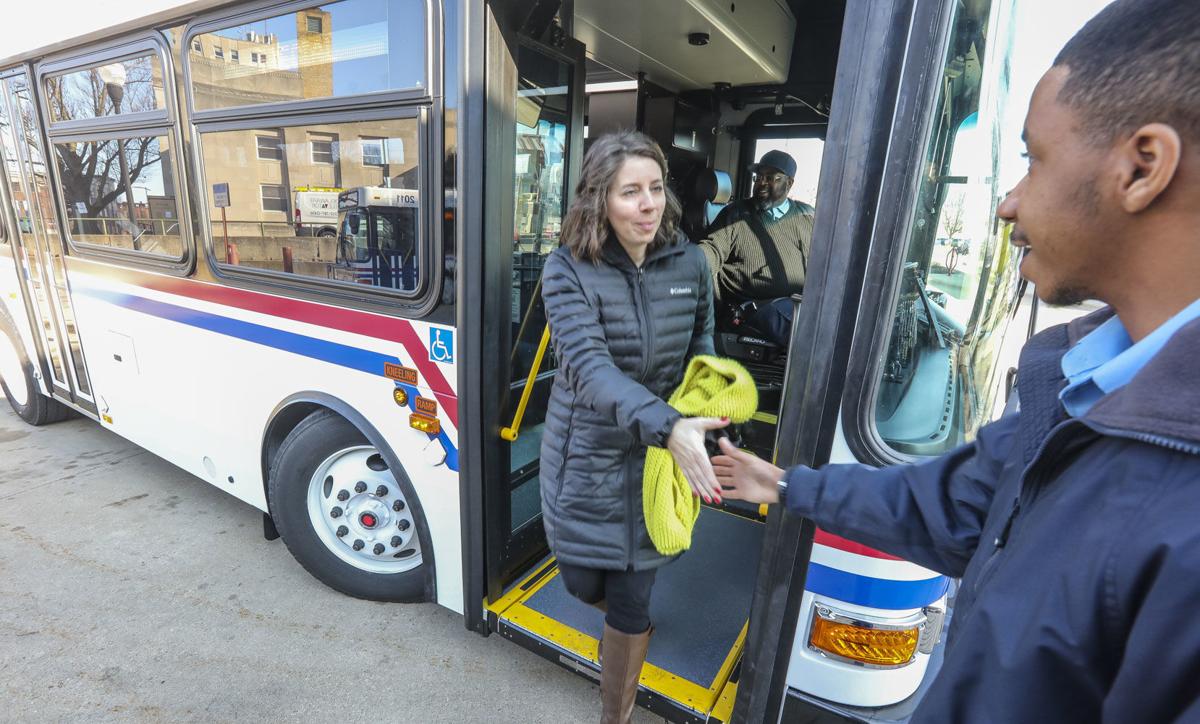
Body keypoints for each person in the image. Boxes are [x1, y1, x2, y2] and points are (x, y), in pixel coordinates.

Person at [714, 1, 1200, 721]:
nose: (1006, 204)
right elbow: (951, 507)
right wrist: (785, 485)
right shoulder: (1076, 385)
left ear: (1142, 167)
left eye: (1034, 159)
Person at [539, 131, 728, 724]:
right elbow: (589, 371)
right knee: (580, 582)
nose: (648, 204)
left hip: (656, 469)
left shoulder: (692, 263)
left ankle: (613, 714)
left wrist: (712, 417)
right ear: (600, 200)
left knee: (631, 596)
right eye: (630, 193)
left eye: (655, 188)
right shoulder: (566, 269)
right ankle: (620, 620)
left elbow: (703, 351)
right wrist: (670, 425)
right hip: (584, 461)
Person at [698, 149, 816, 345]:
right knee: (803, 333)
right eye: (759, 177)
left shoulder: (806, 216)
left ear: (789, 183)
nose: (761, 184)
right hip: (753, 307)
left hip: (797, 302)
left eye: (771, 178)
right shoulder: (736, 214)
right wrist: (692, 264)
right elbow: (711, 249)